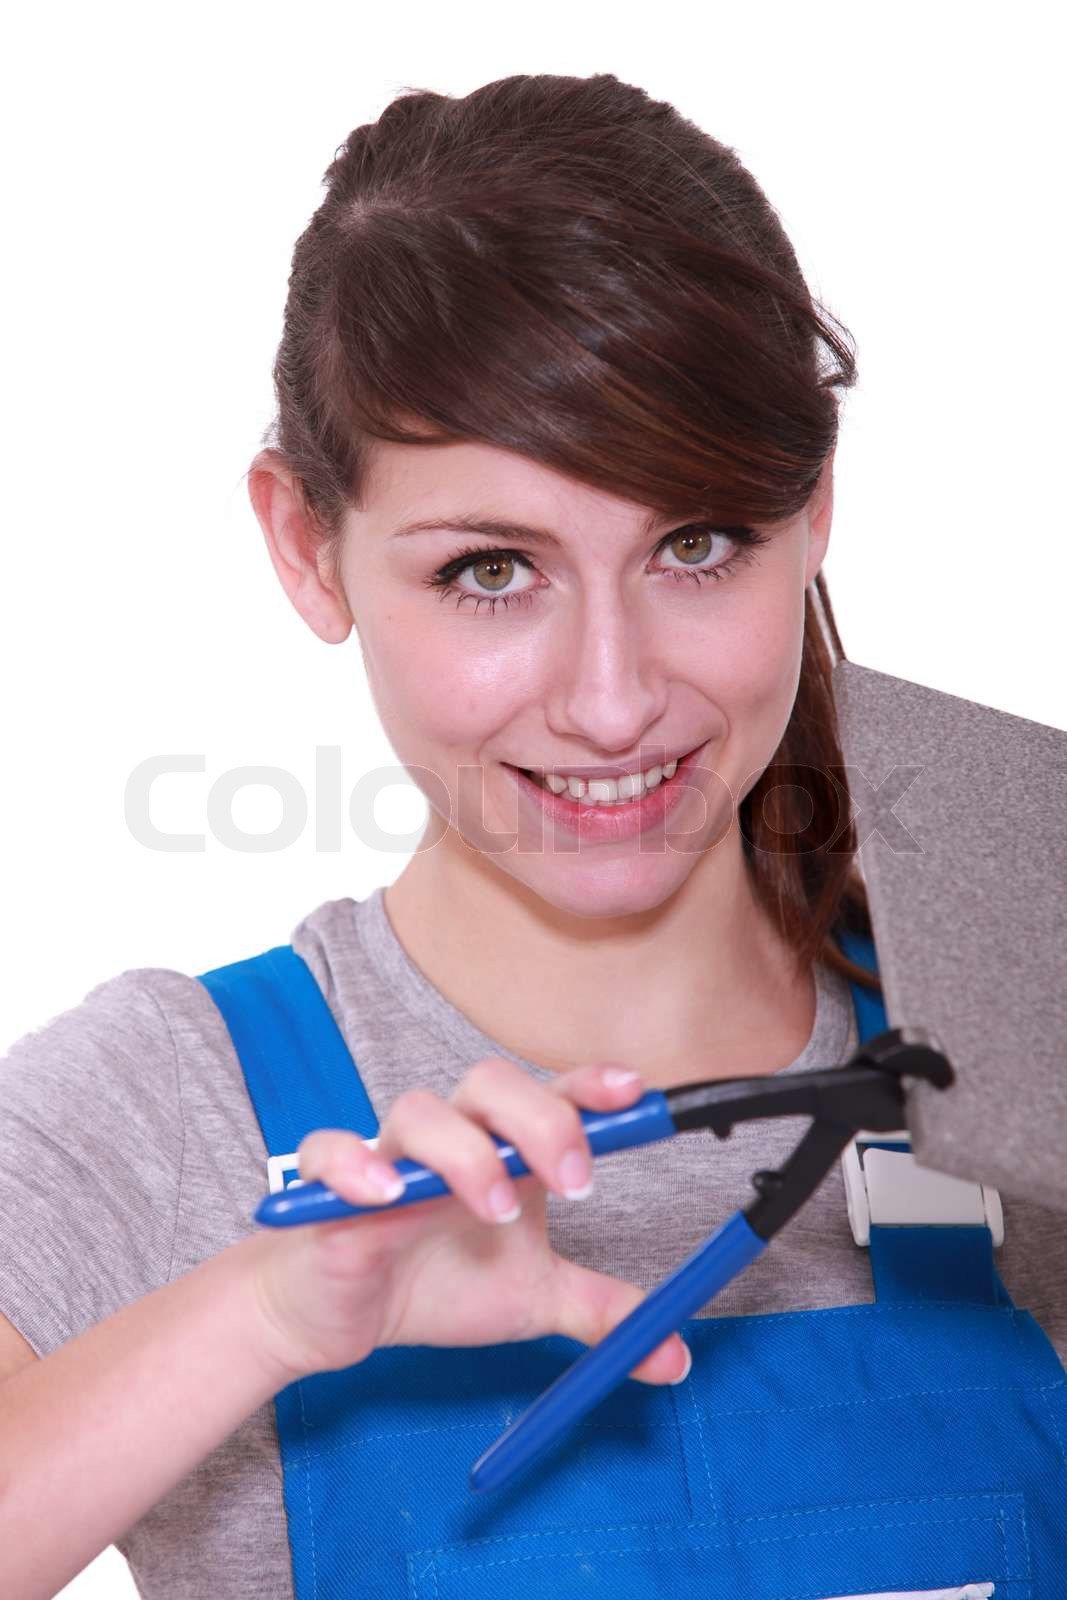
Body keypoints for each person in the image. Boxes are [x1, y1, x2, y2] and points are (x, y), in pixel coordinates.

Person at [1, 71, 1064, 1600]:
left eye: (698, 545)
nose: (616, 700)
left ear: (813, 511)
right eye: (494, 570)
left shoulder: (1031, 1011)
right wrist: (271, 1312)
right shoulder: (164, 1114)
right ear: (311, 548)